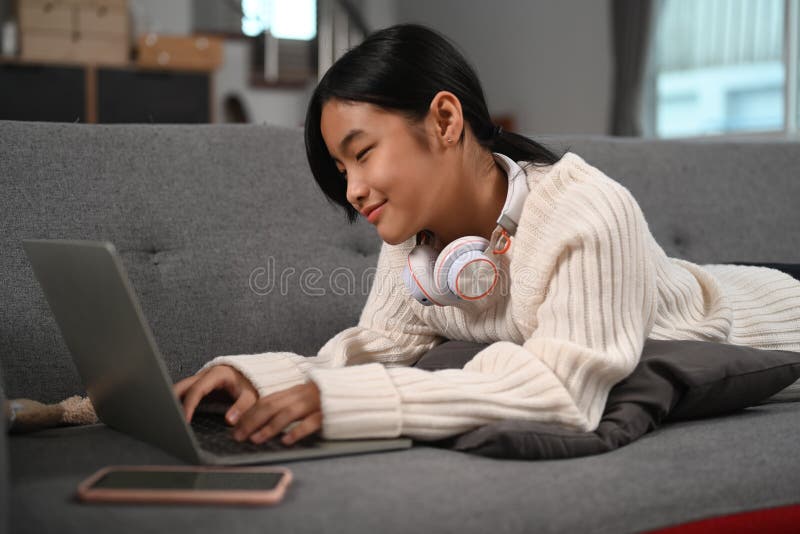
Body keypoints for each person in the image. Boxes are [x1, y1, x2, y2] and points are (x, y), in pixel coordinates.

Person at [175, 24, 800, 447]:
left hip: (769, 311)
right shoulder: (415, 242)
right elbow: (375, 349)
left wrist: (353, 406)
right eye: (341, 171)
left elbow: (564, 393)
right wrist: (255, 378)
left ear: (445, 120)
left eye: (362, 154)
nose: (352, 190)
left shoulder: (586, 211)